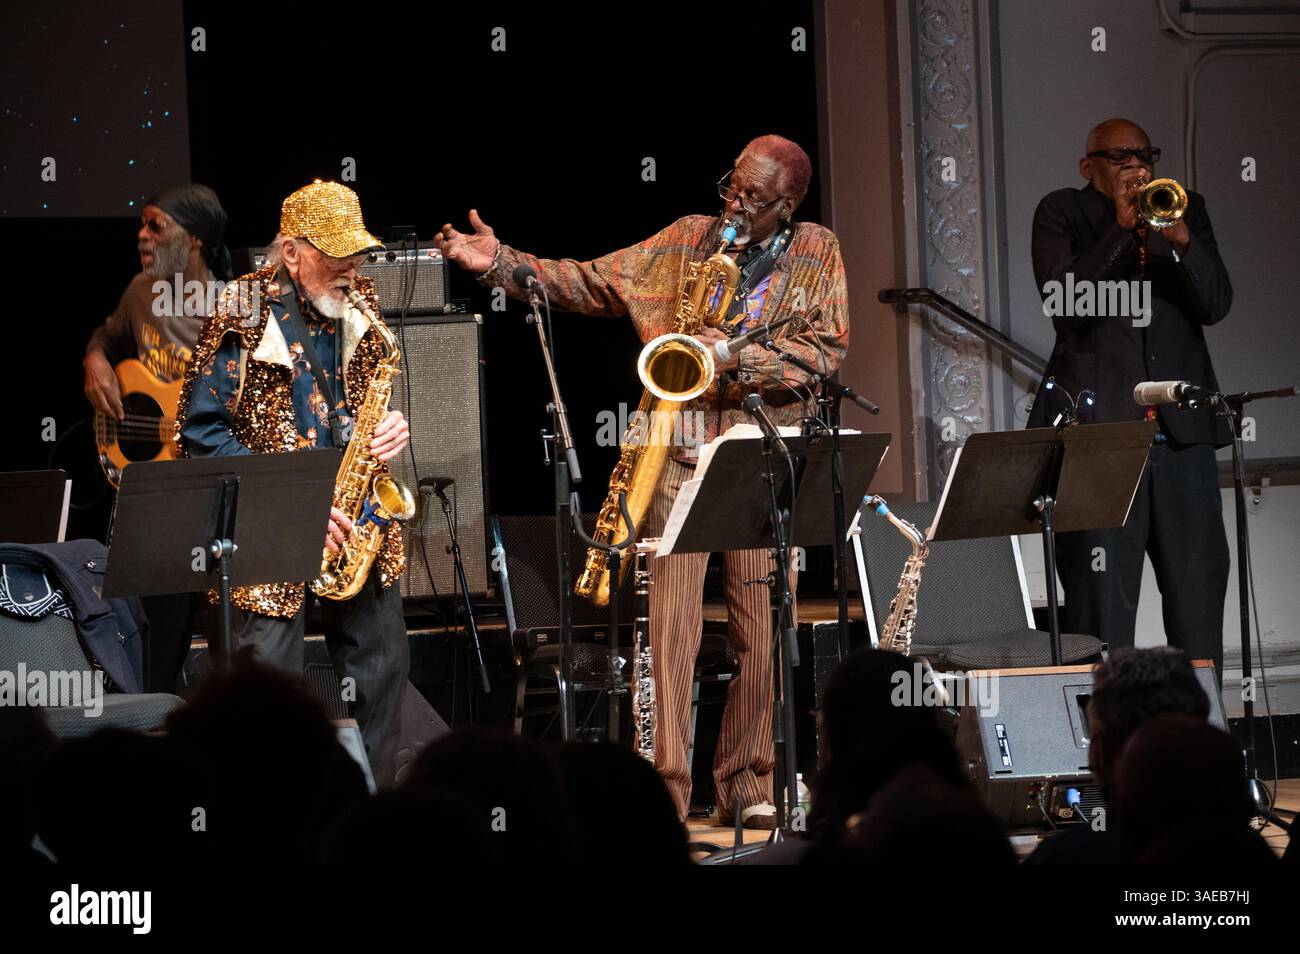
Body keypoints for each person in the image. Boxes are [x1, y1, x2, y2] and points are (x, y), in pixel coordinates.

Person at [437, 135, 849, 827]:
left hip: (757, 455)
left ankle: (747, 784)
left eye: (753, 197)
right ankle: (663, 790)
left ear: (790, 202)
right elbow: (595, 280)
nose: (735, 204)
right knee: (668, 634)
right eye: (732, 187)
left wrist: (726, 361)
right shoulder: (689, 236)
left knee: (761, 632)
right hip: (673, 451)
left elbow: (825, 350)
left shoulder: (818, 251)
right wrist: (502, 264)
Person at [175, 180, 411, 787]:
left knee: (383, 675)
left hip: (355, 520)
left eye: (356, 252)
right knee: (264, 698)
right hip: (271, 526)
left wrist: (389, 427)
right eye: (336, 253)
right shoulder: (242, 308)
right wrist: (292, 505)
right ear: (292, 253)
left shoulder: (358, 297)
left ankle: (370, 816)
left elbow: (363, 398)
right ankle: (268, 831)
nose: (352, 267)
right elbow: (199, 434)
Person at [1028, 118, 1232, 676]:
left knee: (1198, 598)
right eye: (1119, 156)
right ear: (1087, 166)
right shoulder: (1062, 212)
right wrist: (1122, 231)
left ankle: (1201, 738)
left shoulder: (1185, 210)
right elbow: (1067, 306)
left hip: (1182, 438)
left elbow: (1215, 304)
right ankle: (1104, 746)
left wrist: (1182, 238)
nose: (1135, 166)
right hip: (1101, 442)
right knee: (1101, 611)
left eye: (1144, 154)